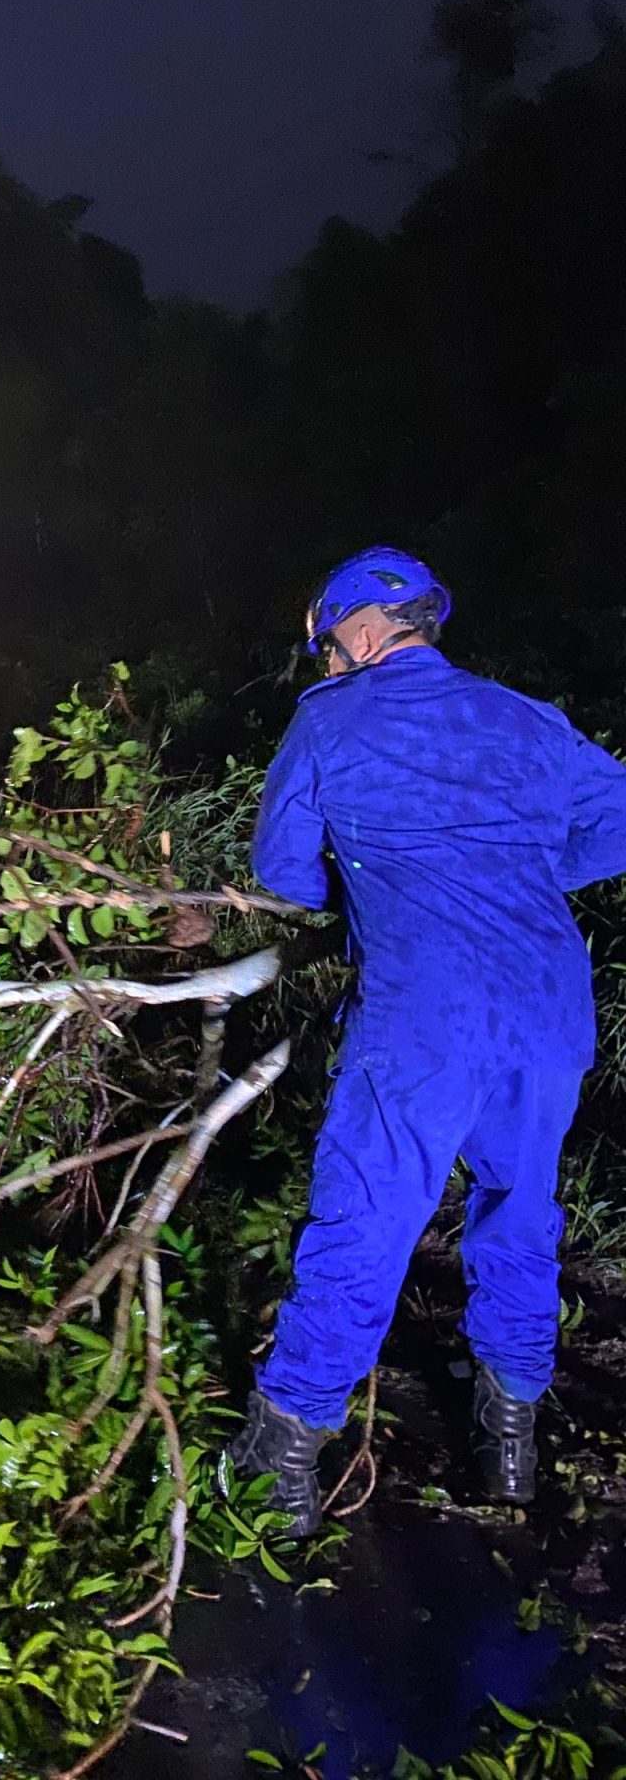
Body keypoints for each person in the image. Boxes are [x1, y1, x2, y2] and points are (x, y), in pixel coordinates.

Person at [225, 547, 626, 1535]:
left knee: (368, 1214)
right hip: (546, 1008)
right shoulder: (528, 718)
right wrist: (515, 878)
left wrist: (369, 897)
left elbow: (281, 864)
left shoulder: (331, 718)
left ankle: (281, 1457)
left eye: (328, 647)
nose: (326, 664)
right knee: (520, 1209)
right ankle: (509, 1444)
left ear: (365, 632)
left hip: (426, 1015)